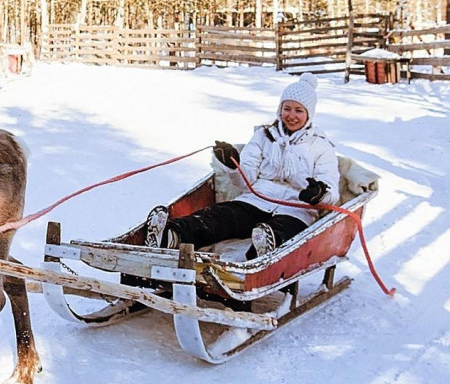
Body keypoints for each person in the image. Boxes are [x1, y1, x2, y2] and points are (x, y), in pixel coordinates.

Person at [144, 73, 340, 259]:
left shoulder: (321, 146)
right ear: (280, 109)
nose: (291, 116)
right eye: (287, 108)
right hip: (256, 200)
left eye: (299, 110)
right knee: (220, 216)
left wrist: (318, 194)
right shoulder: (264, 136)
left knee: (285, 230)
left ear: (309, 114)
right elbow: (245, 181)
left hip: (296, 208)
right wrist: (233, 165)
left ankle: (264, 248)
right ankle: (171, 234)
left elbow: (331, 191)